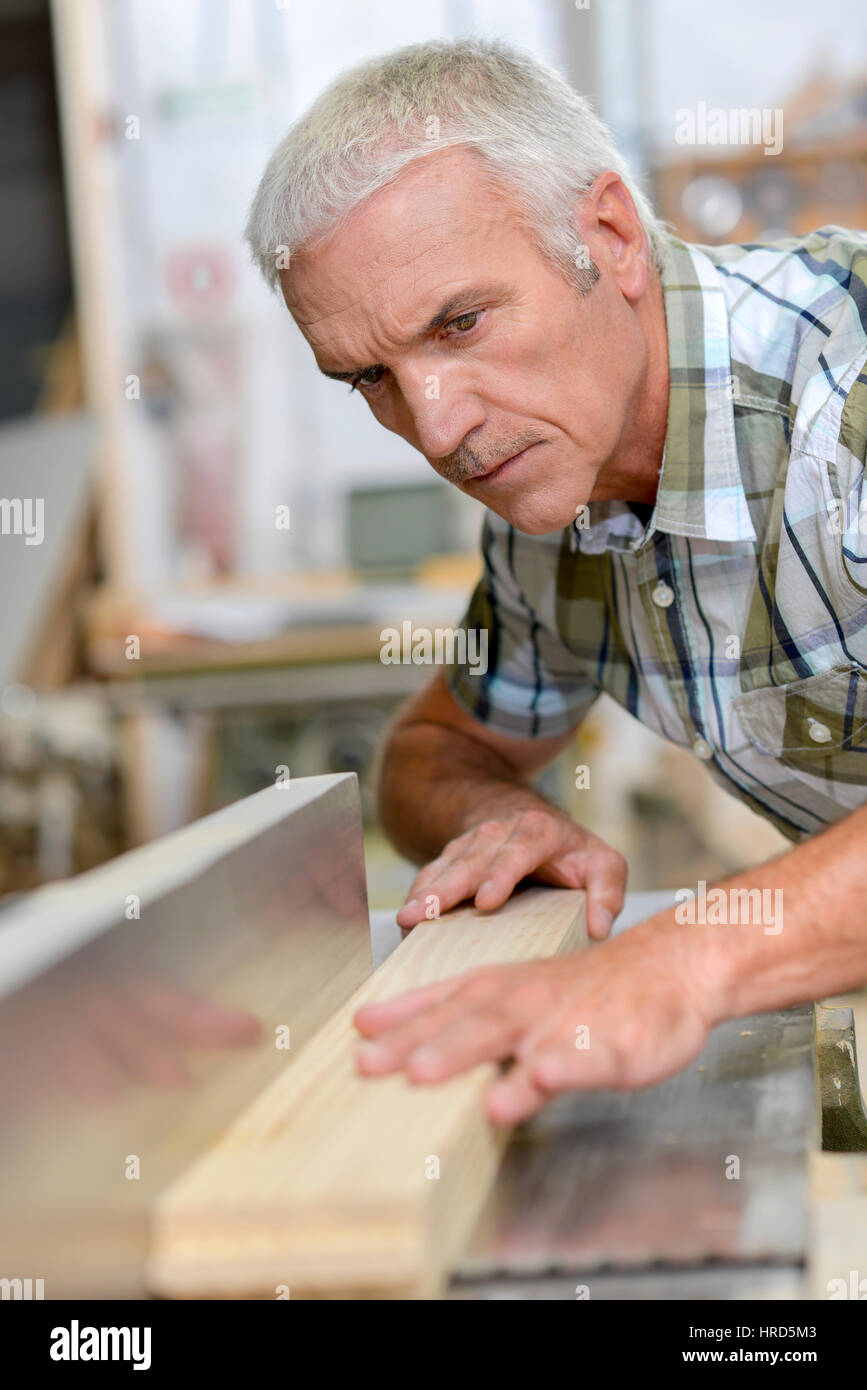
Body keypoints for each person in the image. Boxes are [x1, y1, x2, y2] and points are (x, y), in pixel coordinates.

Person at [245, 38, 867, 1124]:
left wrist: (680, 959)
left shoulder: (844, 400)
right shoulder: (554, 504)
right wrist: (493, 814)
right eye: (371, 379)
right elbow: (435, 753)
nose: (439, 427)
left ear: (611, 238)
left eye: (461, 323)